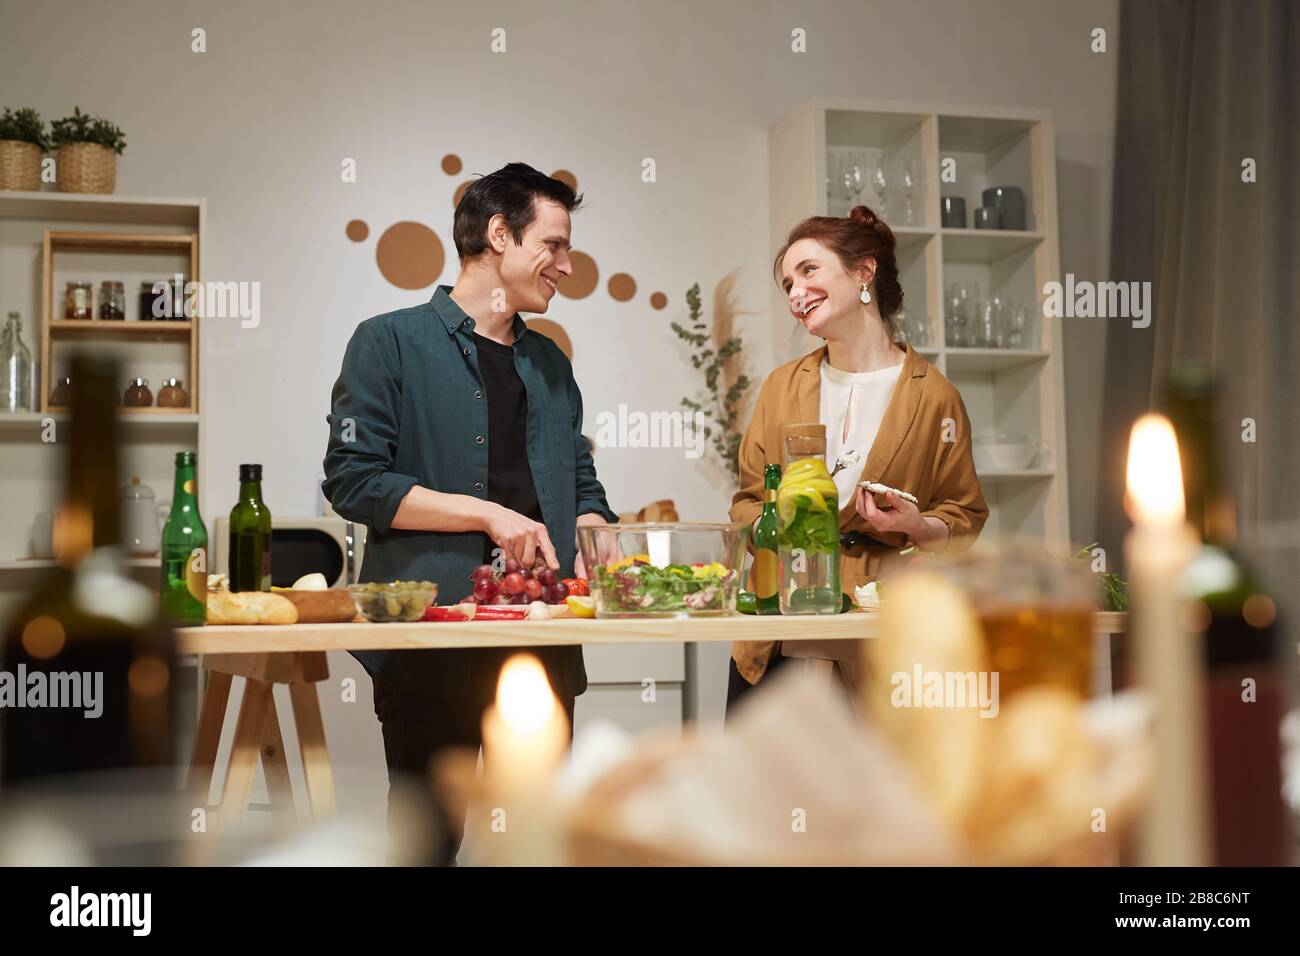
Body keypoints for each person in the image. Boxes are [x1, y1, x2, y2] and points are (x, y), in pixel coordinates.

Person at [322, 163, 617, 863]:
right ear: (498, 236)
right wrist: (488, 515)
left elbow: (580, 481)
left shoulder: (550, 364)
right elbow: (353, 481)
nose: (567, 267)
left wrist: (599, 533)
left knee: (547, 847)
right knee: (428, 846)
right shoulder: (387, 341)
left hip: (542, 641)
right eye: (553, 245)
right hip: (432, 645)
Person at [726, 205, 987, 712]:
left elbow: (964, 517)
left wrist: (917, 525)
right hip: (783, 630)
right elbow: (746, 505)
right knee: (769, 789)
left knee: (877, 790)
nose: (795, 294)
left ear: (864, 271)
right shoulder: (781, 387)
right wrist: (776, 524)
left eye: (808, 271)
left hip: (884, 637)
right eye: (787, 285)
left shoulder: (935, 397)